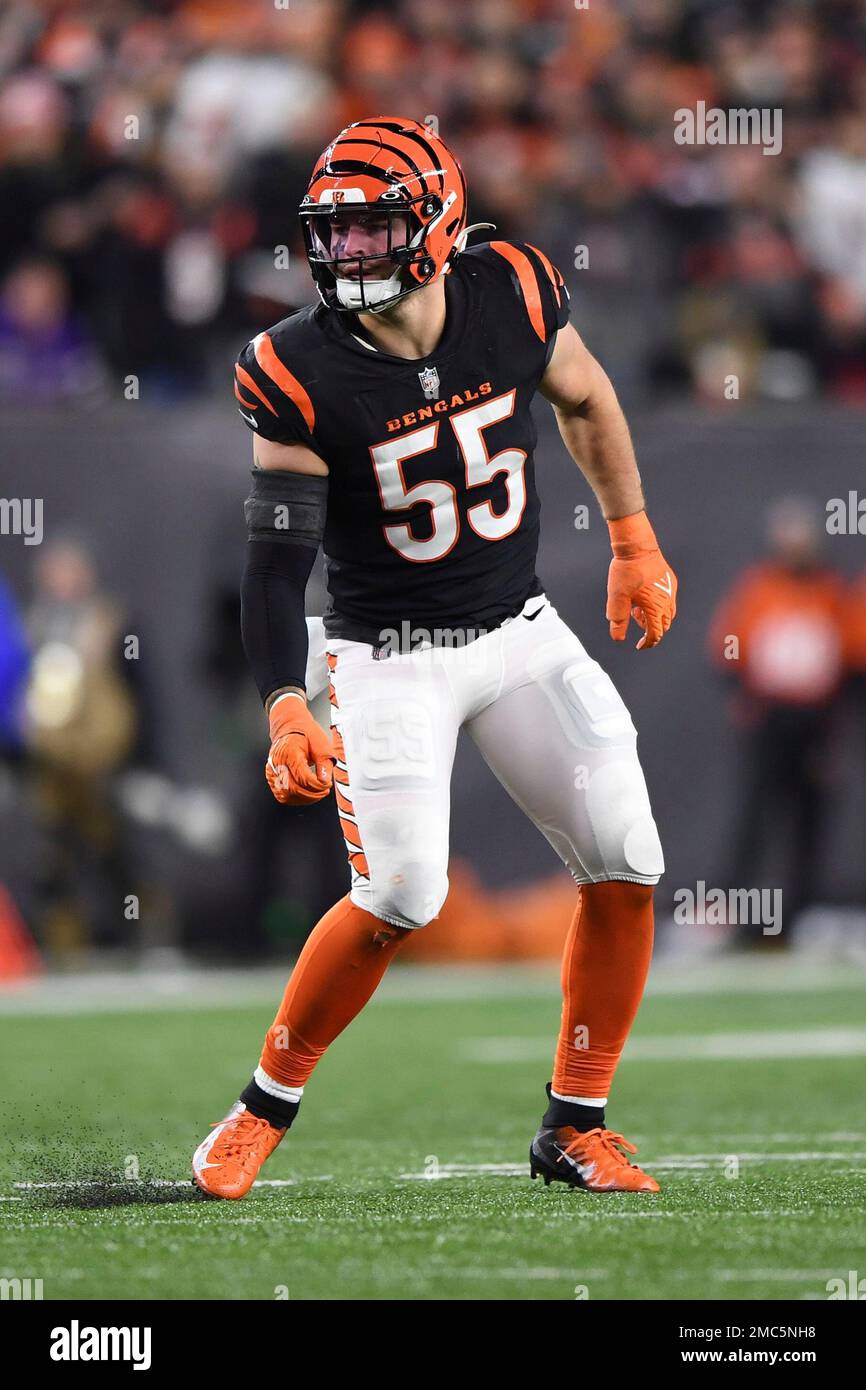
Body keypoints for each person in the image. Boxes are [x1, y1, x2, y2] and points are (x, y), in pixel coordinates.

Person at [192, 117, 678, 1199]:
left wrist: (633, 537)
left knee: (627, 856)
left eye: (371, 229)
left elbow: (587, 396)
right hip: (386, 654)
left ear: (439, 225)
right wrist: (285, 702)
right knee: (402, 892)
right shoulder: (295, 368)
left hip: (517, 630)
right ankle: (263, 1104)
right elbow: (276, 565)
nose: (348, 253)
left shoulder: (512, 290)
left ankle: (575, 1123)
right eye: (334, 233)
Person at [708, 498, 848, 943]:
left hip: (814, 723)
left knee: (810, 818)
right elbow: (728, 648)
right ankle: (727, 913)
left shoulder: (830, 592)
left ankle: (803, 913)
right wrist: (746, 700)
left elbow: (848, 659)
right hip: (770, 719)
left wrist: (833, 728)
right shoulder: (759, 588)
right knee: (755, 814)